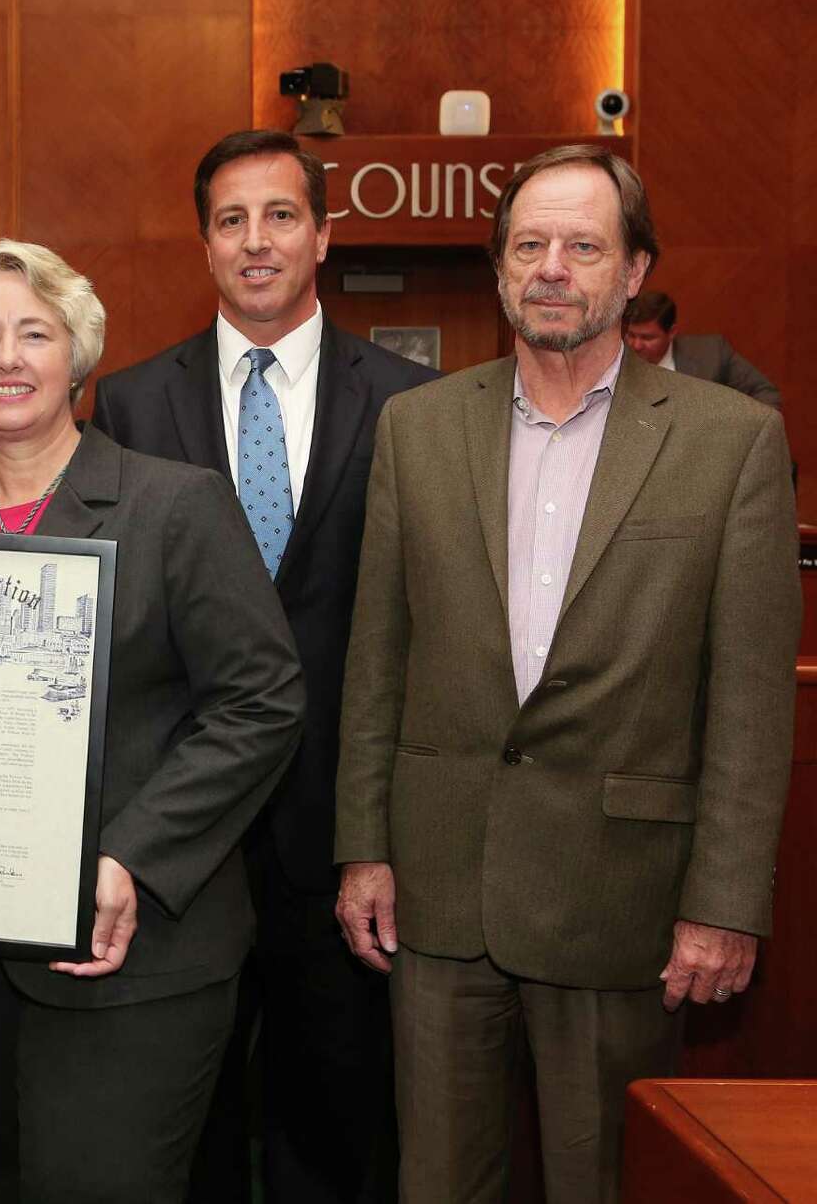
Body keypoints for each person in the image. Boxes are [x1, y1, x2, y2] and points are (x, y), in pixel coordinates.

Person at [334, 145, 798, 1203]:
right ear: (499, 269)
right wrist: (362, 847)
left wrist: (725, 899)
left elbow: (750, 703)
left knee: (603, 1181)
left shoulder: (733, 444)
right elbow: (378, 660)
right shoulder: (418, 427)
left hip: (622, 897)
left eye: (583, 246)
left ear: (633, 272)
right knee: (439, 1181)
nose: (552, 267)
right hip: (438, 888)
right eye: (529, 245)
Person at [0, 240, 303, 1201]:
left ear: (79, 355)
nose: (9, 358)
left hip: (128, 956)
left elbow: (264, 703)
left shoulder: (176, 507)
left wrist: (132, 860)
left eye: (36, 333)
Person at [88, 129, 436, 1203]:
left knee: (335, 1126)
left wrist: (380, 829)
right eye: (231, 220)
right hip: (181, 830)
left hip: (341, 828)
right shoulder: (134, 403)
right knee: (184, 1127)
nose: (256, 241)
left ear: (324, 235)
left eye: (281, 215)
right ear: (204, 245)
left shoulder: (412, 402)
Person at [623, 289, 781, 407]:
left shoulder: (712, 353)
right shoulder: (615, 358)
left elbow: (766, 393)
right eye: (631, 335)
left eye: (647, 338)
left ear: (672, 332)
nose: (636, 345)